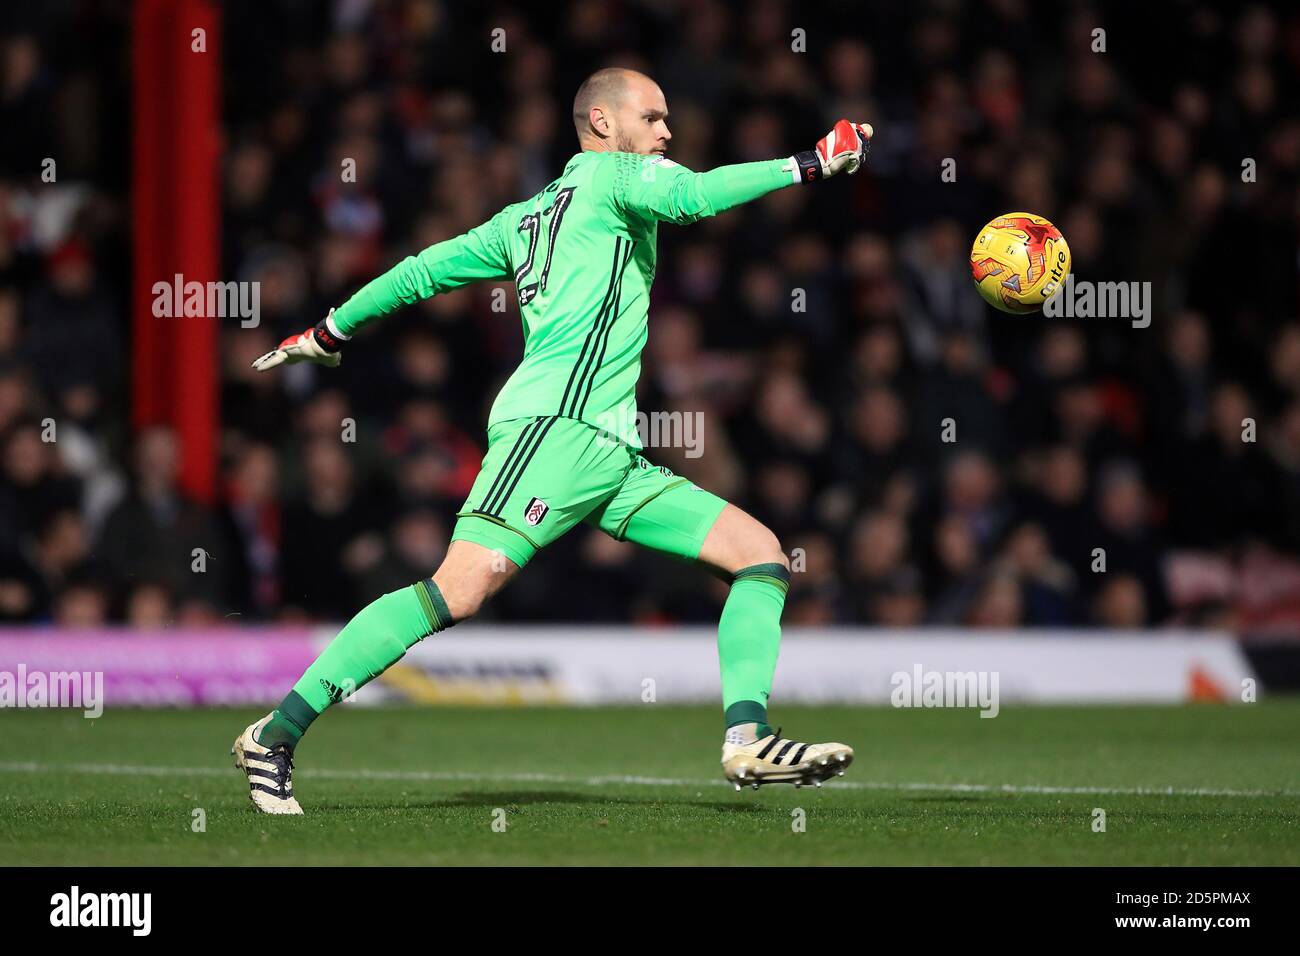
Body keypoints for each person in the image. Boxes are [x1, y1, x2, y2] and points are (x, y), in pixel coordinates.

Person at [233, 67, 872, 813]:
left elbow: (422, 270)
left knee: (759, 552)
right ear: (603, 123)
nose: (668, 133)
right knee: (457, 592)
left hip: (609, 452)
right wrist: (812, 161)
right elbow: (697, 198)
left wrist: (330, 329)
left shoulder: (523, 218)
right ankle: (273, 736)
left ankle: (747, 738)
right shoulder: (615, 181)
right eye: (654, 117)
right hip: (550, 432)